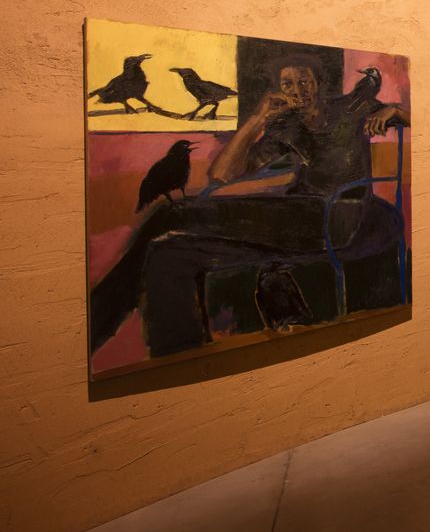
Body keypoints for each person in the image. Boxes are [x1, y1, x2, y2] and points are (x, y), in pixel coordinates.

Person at [89, 58, 409, 359]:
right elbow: (224, 174)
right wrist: (258, 118)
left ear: (320, 82)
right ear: (278, 90)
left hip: (337, 217)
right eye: (288, 84)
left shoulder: (351, 106)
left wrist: (392, 109)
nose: (298, 90)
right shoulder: (285, 125)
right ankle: (178, 354)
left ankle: (97, 322)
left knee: (172, 215)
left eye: (304, 81)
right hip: (299, 216)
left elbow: (421, 121)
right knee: (167, 250)